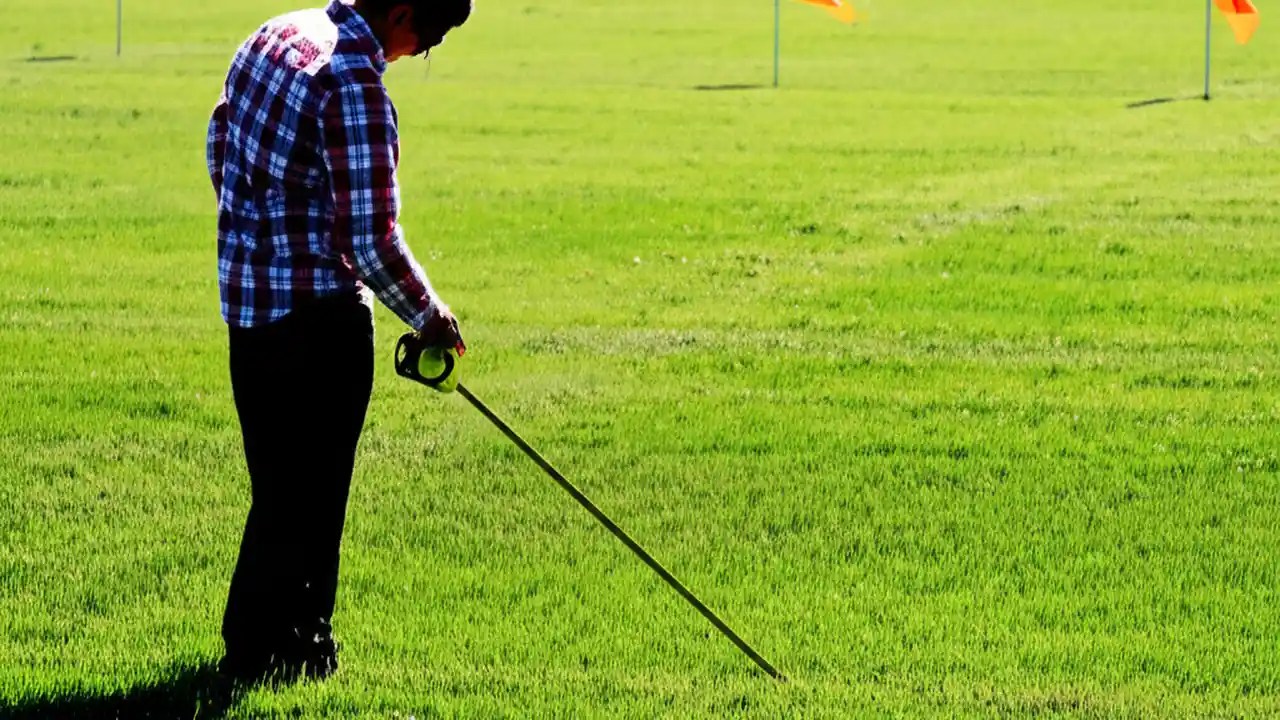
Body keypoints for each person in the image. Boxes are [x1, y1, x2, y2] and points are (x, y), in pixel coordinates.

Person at [205, 0, 472, 682]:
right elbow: (370, 237)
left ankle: (251, 647)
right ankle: (295, 648)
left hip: (247, 303)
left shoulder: (277, 33)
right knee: (314, 495)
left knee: (278, 489)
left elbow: (219, 136)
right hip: (318, 318)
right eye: (430, 36)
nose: (420, 51)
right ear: (404, 10)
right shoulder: (352, 81)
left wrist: (258, 228)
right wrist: (431, 316)